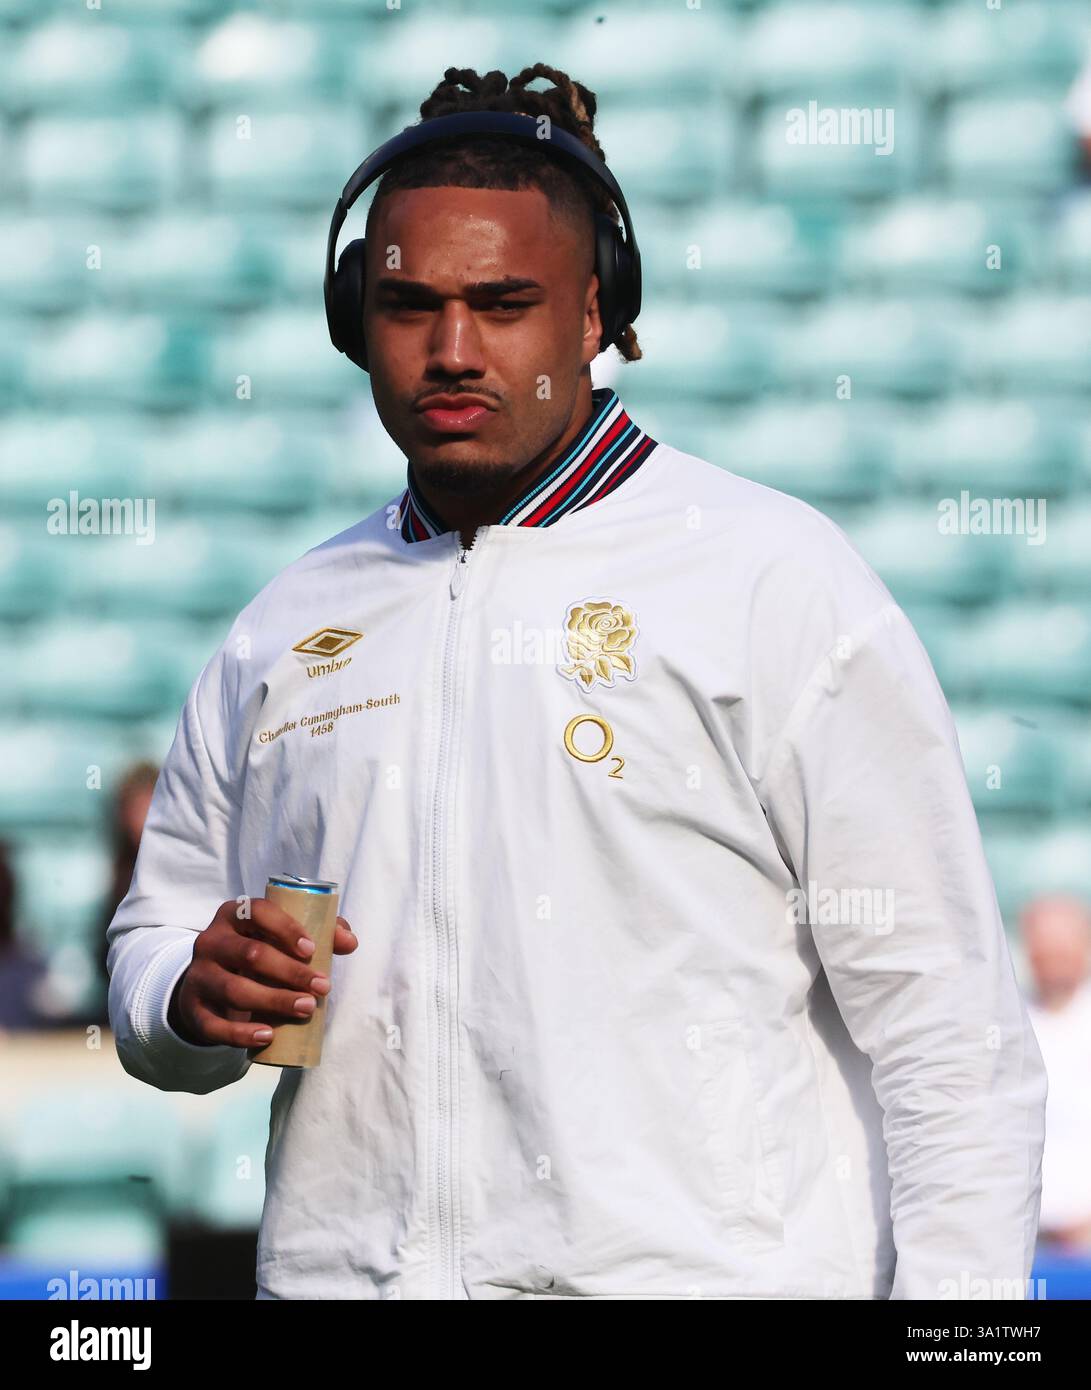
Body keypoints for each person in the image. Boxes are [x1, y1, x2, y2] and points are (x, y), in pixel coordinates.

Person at [107, 63, 1047, 1301]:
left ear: (596, 315)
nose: (451, 349)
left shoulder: (773, 580)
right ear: (351, 321)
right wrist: (183, 995)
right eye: (407, 306)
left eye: (502, 303)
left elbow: (949, 1035)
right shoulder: (282, 627)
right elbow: (151, 944)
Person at [1021, 894, 1091, 1251]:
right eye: (1044, 949)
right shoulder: (1008, 1022)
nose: (1053, 961)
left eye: (1062, 948)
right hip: (1025, 1238)